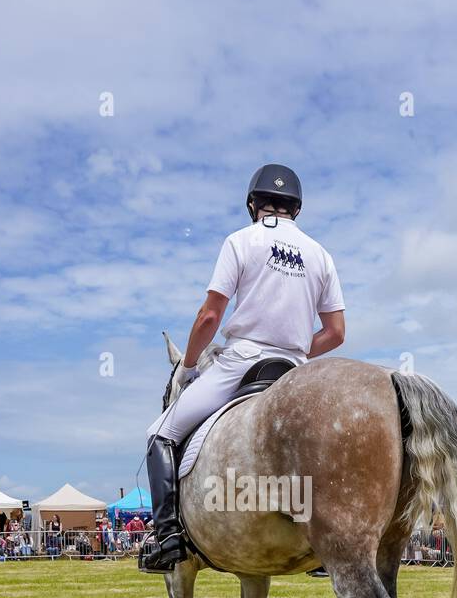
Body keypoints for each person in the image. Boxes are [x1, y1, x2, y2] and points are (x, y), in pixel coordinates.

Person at [141, 164, 346, 571]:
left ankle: (166, 540)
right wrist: (296, 347)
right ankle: (325, 539)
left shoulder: (241, 240)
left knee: (159, 434)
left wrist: (190, 363)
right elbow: (337, 332)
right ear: (296, 209)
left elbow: (209, 318)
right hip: (294, 368)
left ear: (253, 203)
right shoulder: (321, 255)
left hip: (243, 360)